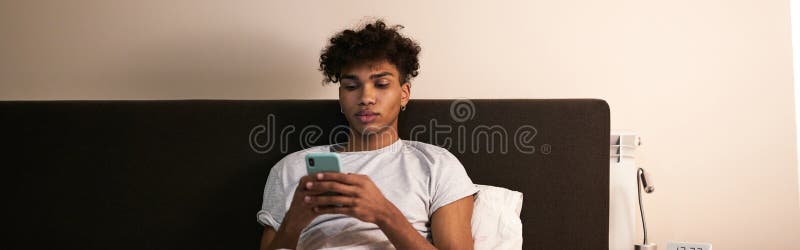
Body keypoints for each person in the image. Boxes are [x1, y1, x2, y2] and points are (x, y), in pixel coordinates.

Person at [257, 20, 478, 250]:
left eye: (381, 84)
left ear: (404, 94)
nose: (365, 98)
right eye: (351, 87)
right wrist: (293, 222)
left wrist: (384, 215)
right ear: (341, 97)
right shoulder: (290, 169)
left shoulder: (437, 165)